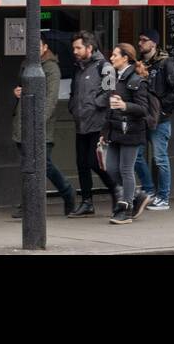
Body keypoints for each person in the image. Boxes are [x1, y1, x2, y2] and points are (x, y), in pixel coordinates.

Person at [11, 36, 76, 217]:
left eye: (37, 46)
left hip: (41, 125)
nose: (32, 49)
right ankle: (28, 203)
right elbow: (22, 88)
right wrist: (17, 92)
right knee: (27, 164)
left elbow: (51, 99)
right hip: (22, 121)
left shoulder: (51, 68)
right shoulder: (26, 65)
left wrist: (40, 122)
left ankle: (67, 191)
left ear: (45, 47)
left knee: (43, 164)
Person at [134, 28, 174, 211]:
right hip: (143, 118)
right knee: (137, 156)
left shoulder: (165, 63)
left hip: (160, 121)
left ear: (153, 43)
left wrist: (161, 108)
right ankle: (149, 190)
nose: (140, 43)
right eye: (139, 40)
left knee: (160, 158)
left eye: (143, 40)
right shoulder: (141, 64)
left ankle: (163, 197)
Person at [67, 31, 117, 217]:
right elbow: (74, 93)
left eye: (78, 47)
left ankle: (117, 190)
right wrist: (73, 106)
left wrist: (95, 104)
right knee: (81, 163)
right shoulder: (78, 67)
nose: (75, 51)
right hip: (81, 122)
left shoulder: (105, 66)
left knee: (95, 162)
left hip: (98, 123)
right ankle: (87, 202)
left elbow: (110, 91)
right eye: (74, 48)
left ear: (89, 47)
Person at [103, 43, 151, 224]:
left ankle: (126, 207)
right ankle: (137, 195)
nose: (111, 58)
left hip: (131, 131)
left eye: (115, 55)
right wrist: (104, 132)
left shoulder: (137, 80)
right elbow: (110, 108)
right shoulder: (115, 78)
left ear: (125, 58)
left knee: (125, 169)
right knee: (111, 168)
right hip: (115, 130)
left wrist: (125, 106)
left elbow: (143, 109)